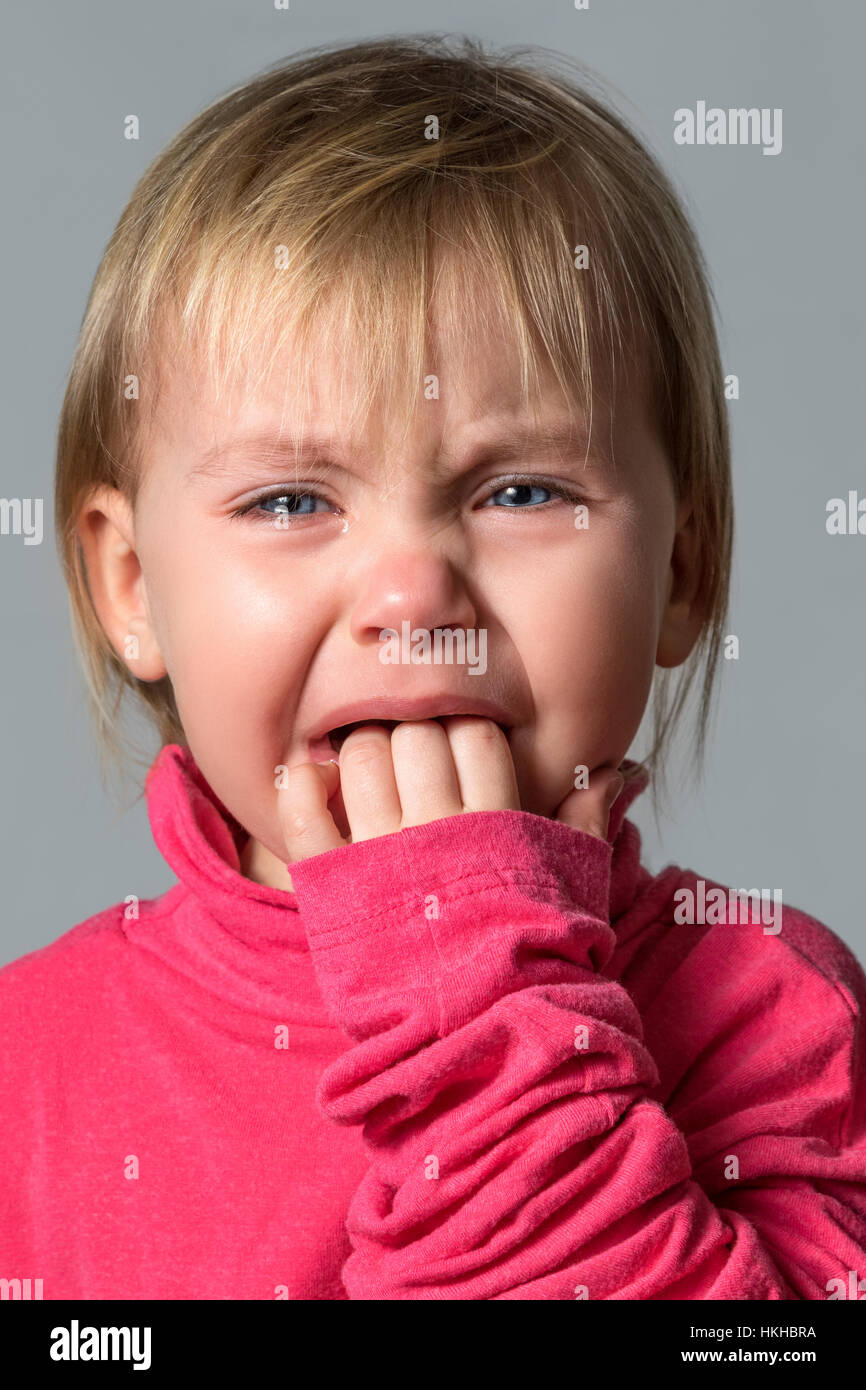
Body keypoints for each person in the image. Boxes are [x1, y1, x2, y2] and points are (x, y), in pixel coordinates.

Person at [2, 35, 864, 1300]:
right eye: (291, 500)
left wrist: (477, 1000)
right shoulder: (29, 1064)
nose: (413, 594)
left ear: (684, 571)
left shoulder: (775, 1014)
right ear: (130, 586)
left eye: (521, 489)